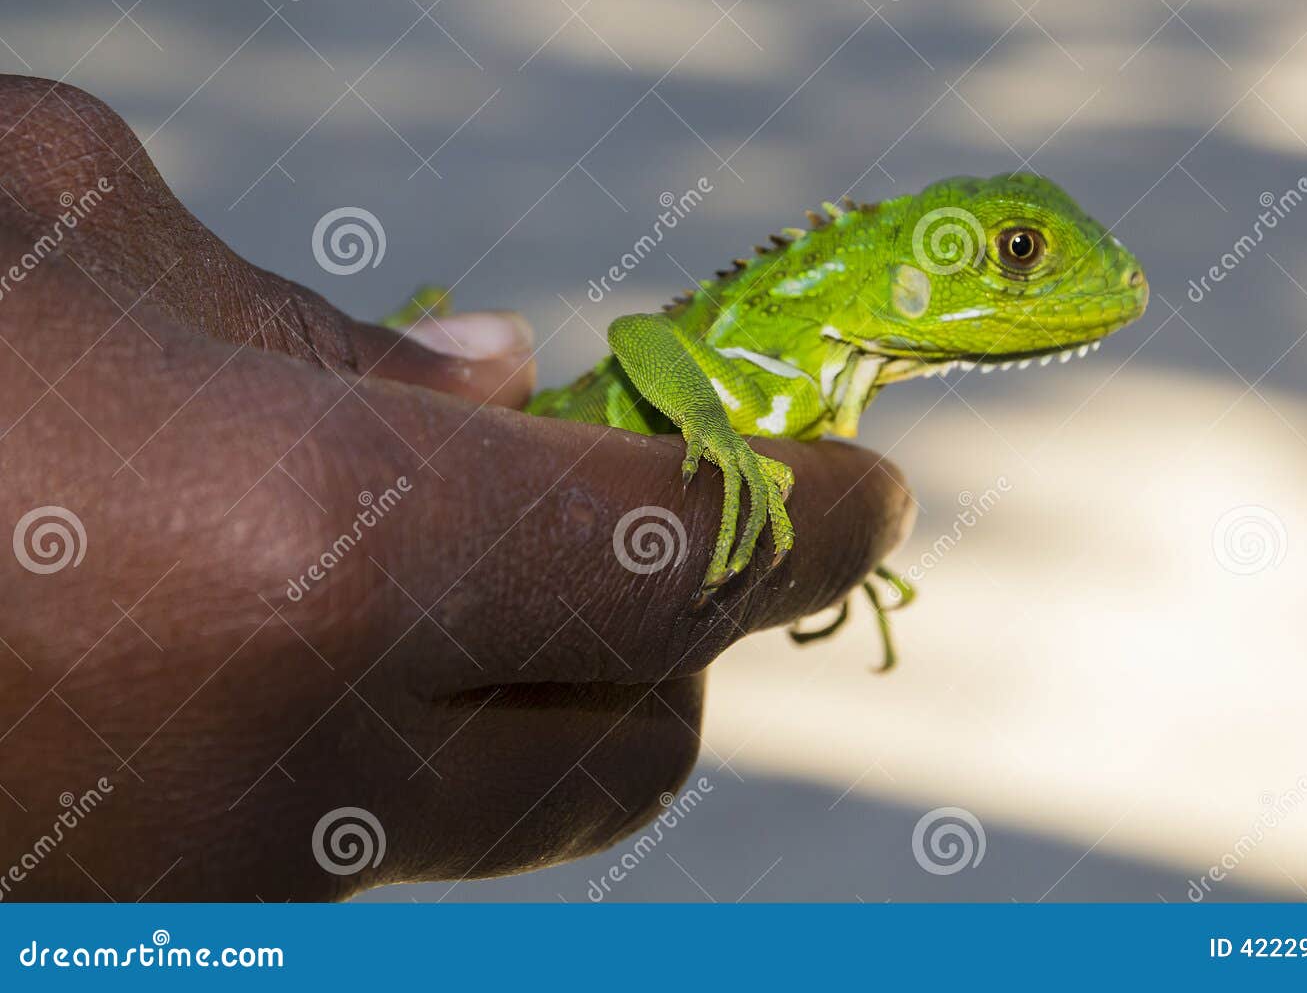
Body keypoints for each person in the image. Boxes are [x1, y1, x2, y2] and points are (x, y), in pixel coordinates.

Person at [0, 77, 911, 900]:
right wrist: (708, 431)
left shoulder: (806, 375)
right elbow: (641, 338)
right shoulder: (748, 356)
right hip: (527, 434)